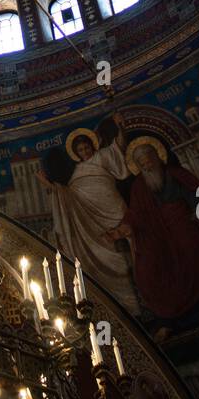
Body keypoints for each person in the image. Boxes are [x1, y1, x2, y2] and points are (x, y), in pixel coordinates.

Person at [121, 143, 199, 340]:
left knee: (191, 251)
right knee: (148, 269)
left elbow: (198, 194)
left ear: (157, 157)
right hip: (156, 234)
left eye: (148, 160)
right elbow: (134, 214)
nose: (147, 166)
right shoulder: (138, 187)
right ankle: (167, 322)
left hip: (182, 224)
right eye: (141, 163)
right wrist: (124, 228)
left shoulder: (176, 174)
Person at [43, 116, 139, 313]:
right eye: (81, 150)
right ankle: (127, 305)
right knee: (113, 254)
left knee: (134, 247)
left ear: (92, 145)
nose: (85, 152)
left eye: (87, 147)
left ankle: (144, 286)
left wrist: (121, 128)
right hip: (92, 219)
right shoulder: (77, 171)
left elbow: (118, 146)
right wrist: (49, 185)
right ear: (76, 153)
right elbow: (70, 195)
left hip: (113, 207)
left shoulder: (103, 156)